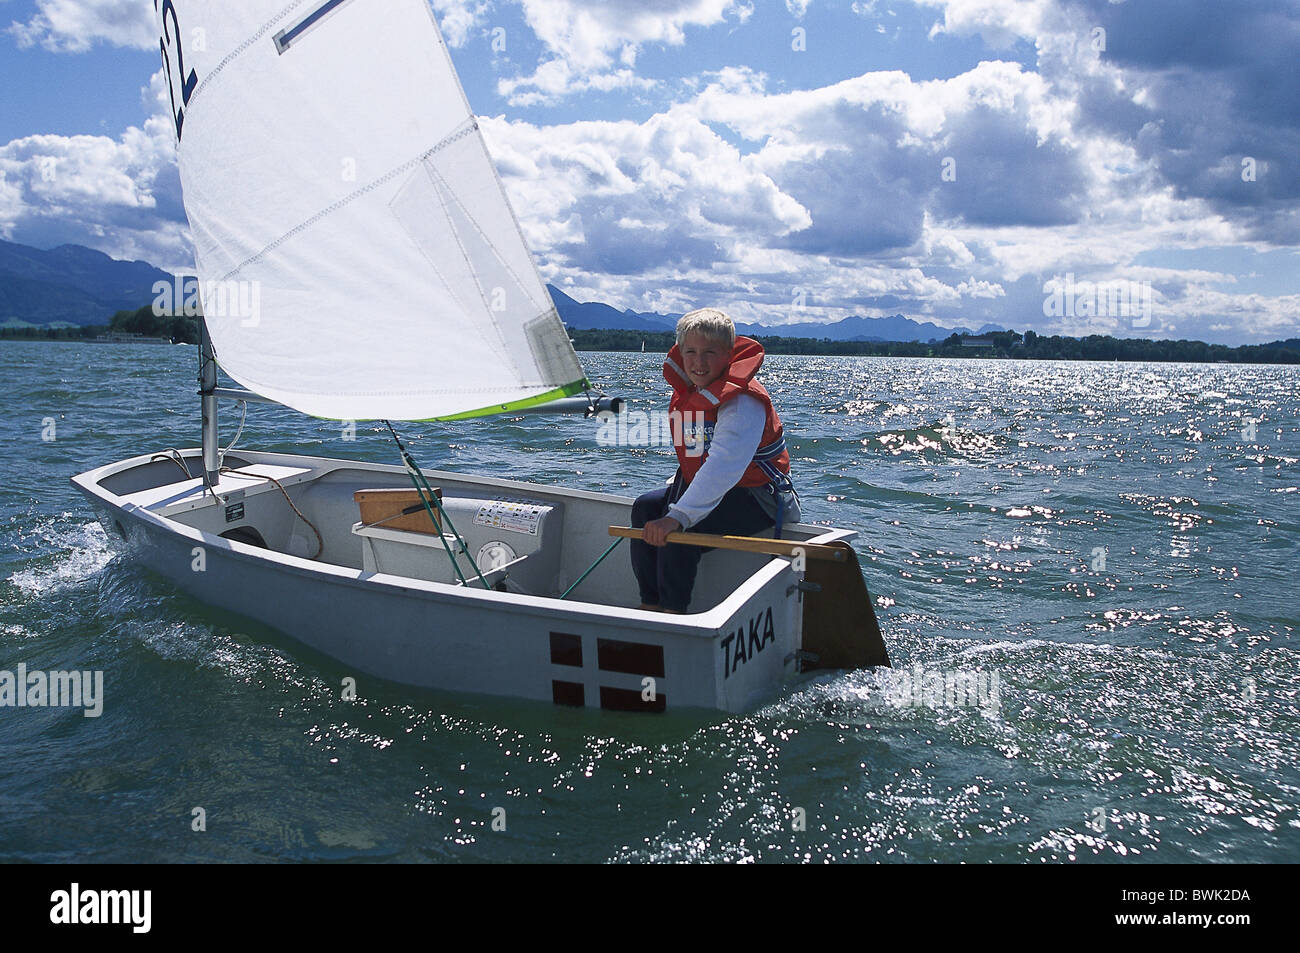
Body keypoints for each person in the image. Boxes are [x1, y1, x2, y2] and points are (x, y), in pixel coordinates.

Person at [631, 307, 800, 613]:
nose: (698, 361)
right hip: (720, 492)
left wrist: (678, 516)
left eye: (710, 352)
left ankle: (673, 619)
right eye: (691, 351)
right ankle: (650, 607)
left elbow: (724, 465)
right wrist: (675, 500)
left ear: (728, 354)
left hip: (759, 497)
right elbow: (696, 457)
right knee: (645, 507)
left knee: (678, 534)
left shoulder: (743, 401)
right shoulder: (695, 395)